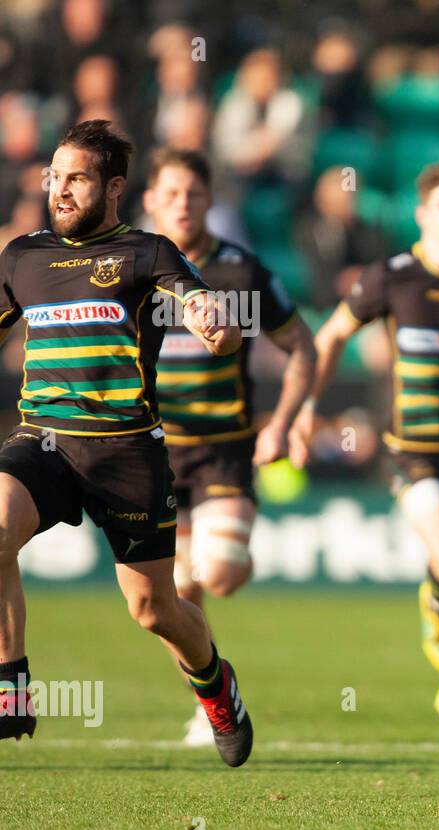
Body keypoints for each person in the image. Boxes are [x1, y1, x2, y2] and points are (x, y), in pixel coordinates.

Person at [0, 120, 253, 766]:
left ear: (113, 187)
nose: (59, 189)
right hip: (45, 441)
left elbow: (198, 306)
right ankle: (10, 686)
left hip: (127, 453)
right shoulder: (22, 257)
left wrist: (214, 324)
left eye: (76, 178)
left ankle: (216, 687)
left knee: (154, 609)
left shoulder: (147, 251)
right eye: (54, 176)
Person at [292, 164, 439, 741]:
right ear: (422, 215)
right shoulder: (392, 276)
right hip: (413, 452)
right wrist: (310, 403)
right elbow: (334, 333)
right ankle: (435, 601)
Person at [142, 146, 317, 746]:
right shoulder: (131, 270)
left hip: (224, 452)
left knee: (213, 575)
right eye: (170, 194)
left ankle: (233, 551)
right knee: (172, 597)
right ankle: (211, 700)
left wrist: (284, 421)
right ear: (150, 201)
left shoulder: (243, 272)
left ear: (210, 201)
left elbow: (304, 347)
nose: (182, 205)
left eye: (193, 194)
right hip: (152, 454)